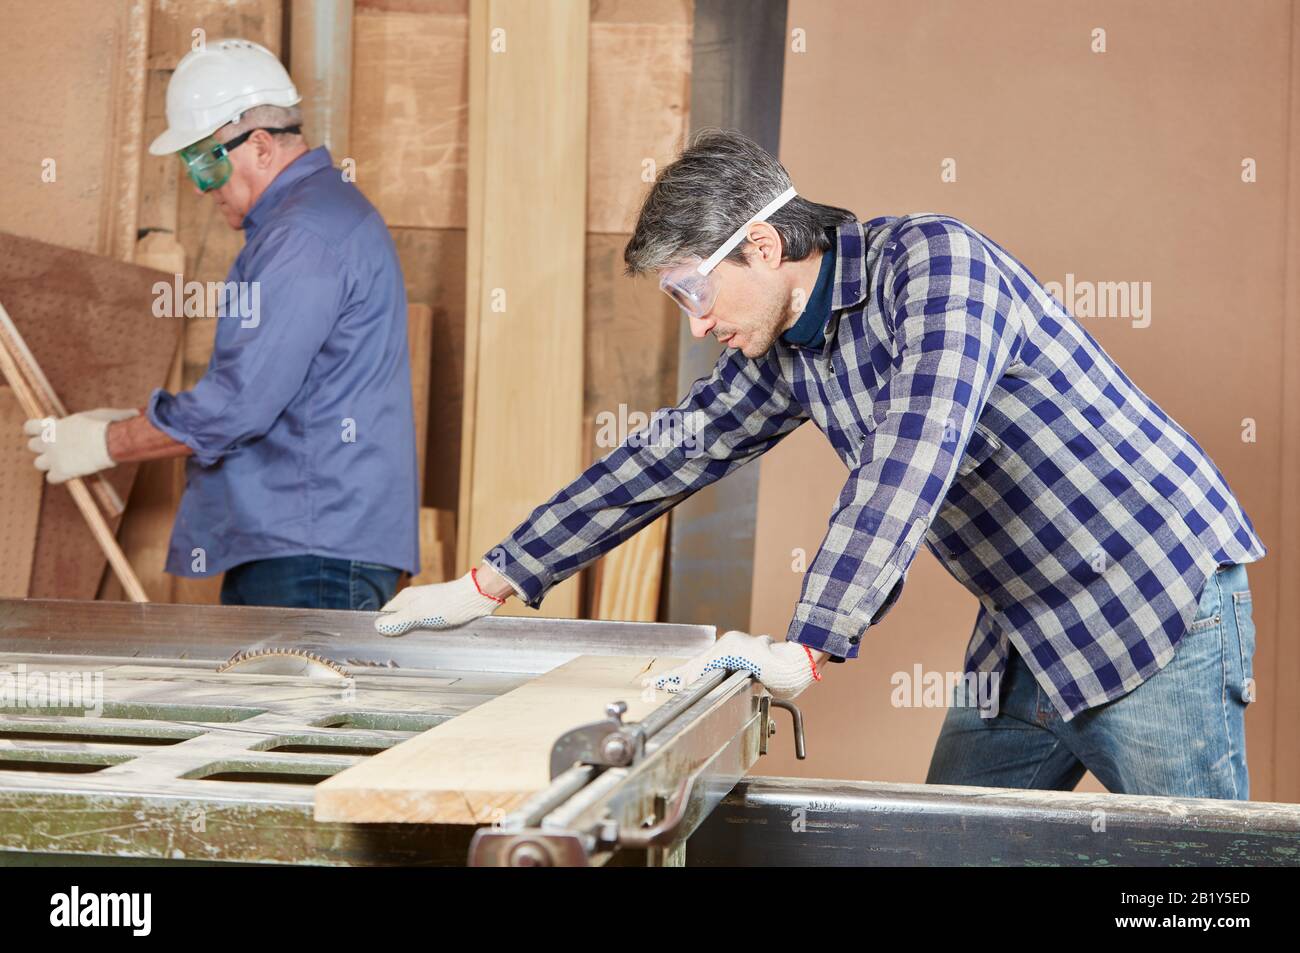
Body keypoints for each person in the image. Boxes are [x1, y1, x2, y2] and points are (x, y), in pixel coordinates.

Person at [372, 128, 1264, 799]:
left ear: (762, 248)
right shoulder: (787, 348)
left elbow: (910, 456)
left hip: (1155, 603)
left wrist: (811, 638)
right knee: (947, 851)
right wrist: (489, 581)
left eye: (692, 289)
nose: (697, 323)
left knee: (1199, 883)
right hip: (1027, 622)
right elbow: (666, 456)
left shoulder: (938, 268)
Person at [23, 38, 419, 610]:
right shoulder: (313, 221)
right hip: (310, 543)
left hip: (311, 553)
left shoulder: (302, 237)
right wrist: (136, 422)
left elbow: (240, 405)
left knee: (286, 702)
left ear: (260, 145)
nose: (199, 185)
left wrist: (106, 443)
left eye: (206, 163)